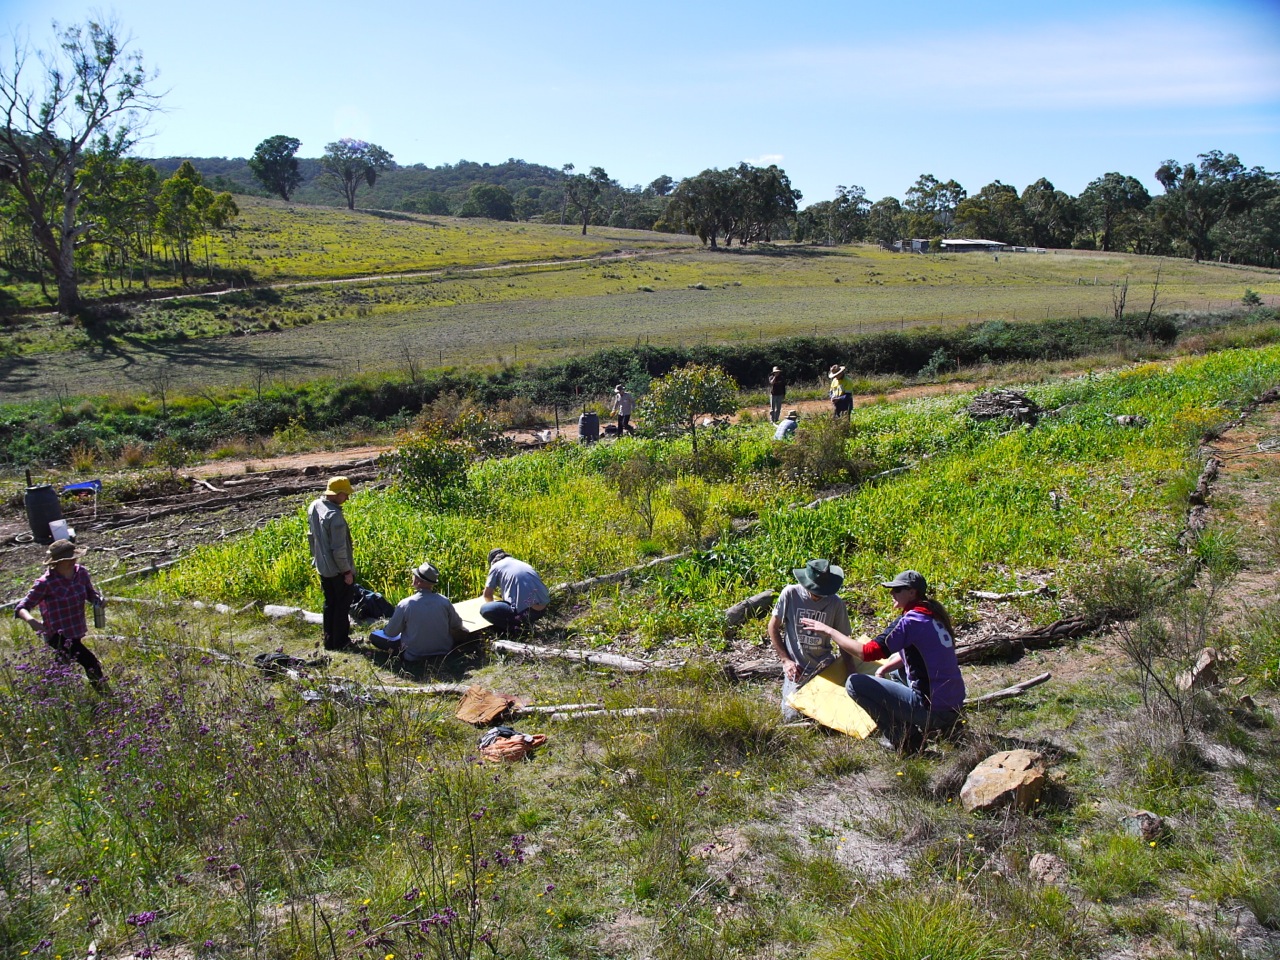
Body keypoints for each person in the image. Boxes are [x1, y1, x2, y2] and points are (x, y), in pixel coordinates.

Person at [802, 570, 964, 752]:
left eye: (897, 589)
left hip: (933, 710)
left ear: (912, 592)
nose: (892, 593)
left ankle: (906, 739)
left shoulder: (910, 621)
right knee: (894, 670)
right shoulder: (932, 615)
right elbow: (918, 654)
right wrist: (884, 668)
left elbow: (866, 652)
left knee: (854, 683)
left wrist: (829, 631)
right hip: (953, 706)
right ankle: (937, 726)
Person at [15, 539, 108, 690]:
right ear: (56, 562)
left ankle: (46, 692)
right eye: (67, 559)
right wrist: (31, 621)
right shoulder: (45, 583)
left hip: (76, 629)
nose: (72, 561)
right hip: (57, 634)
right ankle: (106, 695)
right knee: (90, 662)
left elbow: (90, 593)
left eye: (74, 557)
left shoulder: (81, 573)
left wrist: (98, 600)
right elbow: (22, 607)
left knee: (62, 665)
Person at [767, 559, 852, 720]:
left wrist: (850, 670)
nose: (818, 596)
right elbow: (772, 627)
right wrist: (786, 660)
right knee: (792, 716)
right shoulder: (790, 594)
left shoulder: (836, 603)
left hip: (824, 666)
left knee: (833, 714)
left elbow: (843, 639)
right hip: (798, 669)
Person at [369, 562, 464, 661]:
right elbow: (457, 624)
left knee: (374, 636)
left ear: (418, 581)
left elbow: (390, 633)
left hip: (414, 654)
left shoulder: (406, 604)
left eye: (414, 575)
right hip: (444, 651)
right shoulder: (444, 601)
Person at [308, 476, 356, 651]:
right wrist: (347, 572)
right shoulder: (335, 516)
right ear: (336, 494)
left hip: (323, 567)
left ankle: (329, 640)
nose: (347, 498)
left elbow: (311, 537)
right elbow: (339, 549)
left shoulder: (315, 506)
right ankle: (341, 642)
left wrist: (316, 559)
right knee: (342, 606)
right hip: (338, 570)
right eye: (345, 494)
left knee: (330, 603)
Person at [481, 549, 550, 633]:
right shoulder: (520, 563)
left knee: (485, 609)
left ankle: (517, 631)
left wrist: (494, 609)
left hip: (526, 612)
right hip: (542, 609)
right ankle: (527, 624)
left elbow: (487, 595)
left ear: (491, 562)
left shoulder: (495, 566)